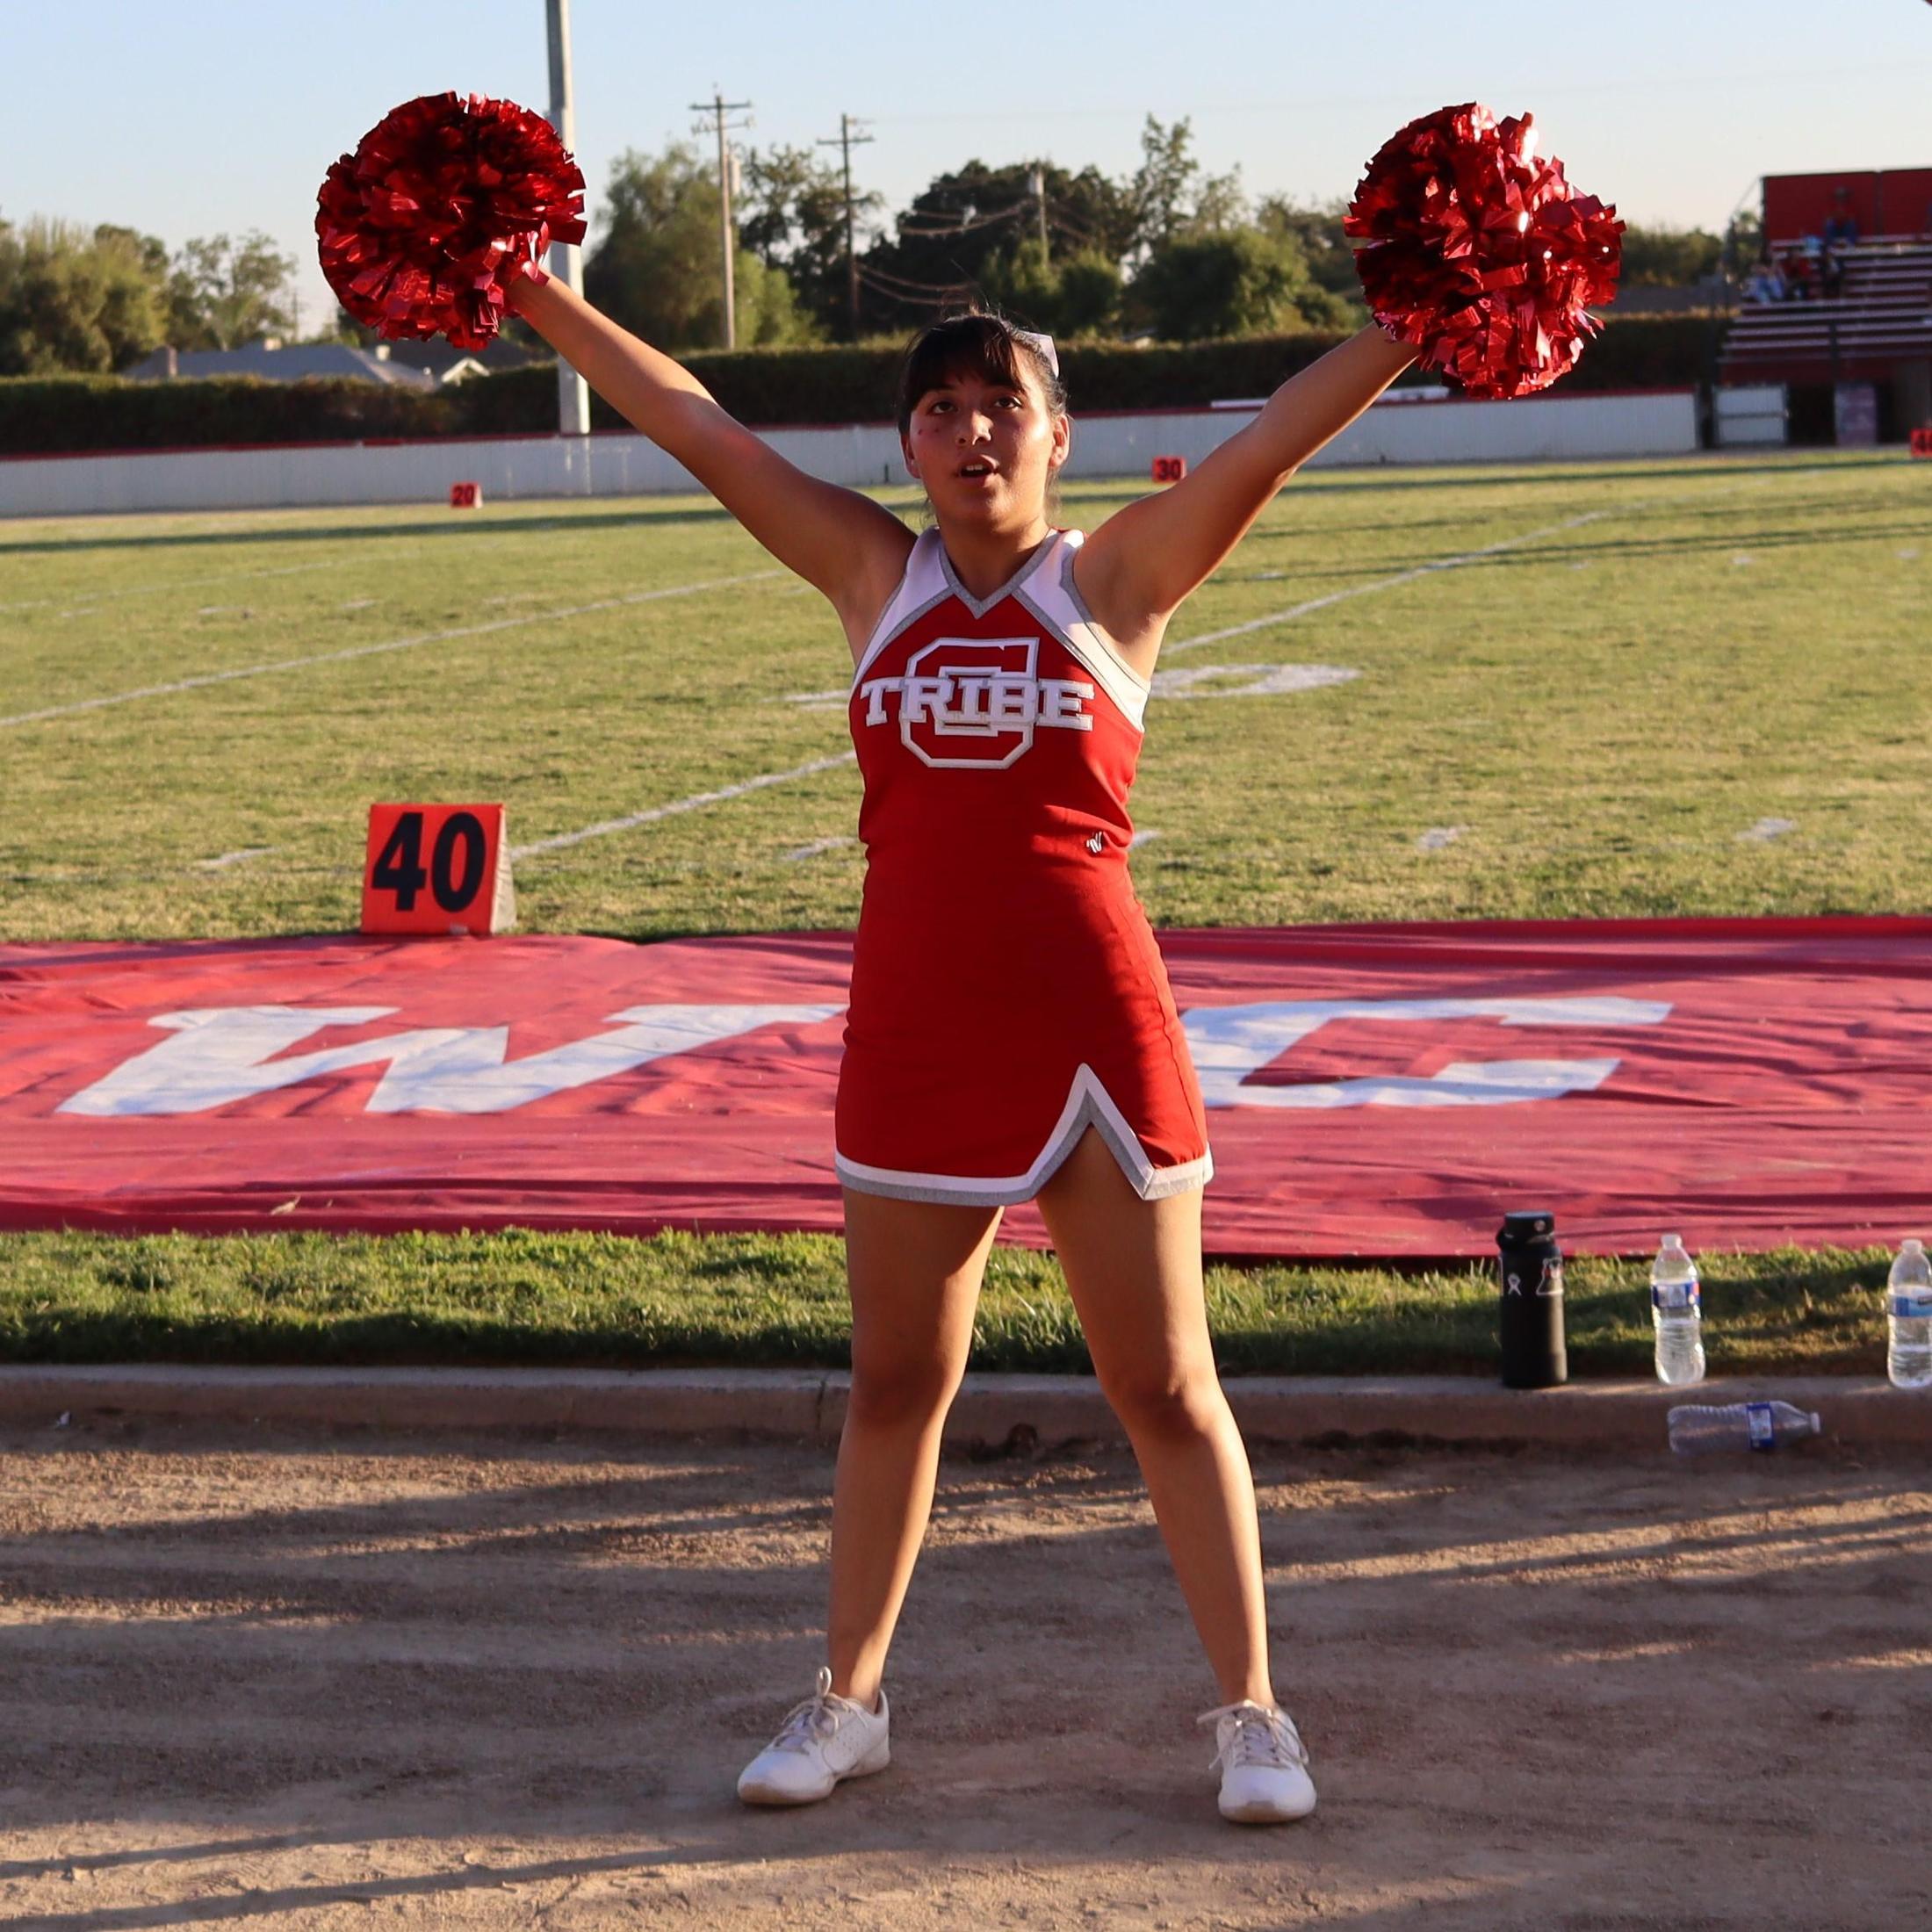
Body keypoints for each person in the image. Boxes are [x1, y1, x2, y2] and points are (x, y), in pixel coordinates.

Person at [503, 263, 1417, 1826]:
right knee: (894, 1385)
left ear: (1063, 436)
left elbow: (1268, 444)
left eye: (1004, 404)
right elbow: (694, 424)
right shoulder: (875, 579)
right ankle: (848, 1700)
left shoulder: (1116, 583)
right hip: (918, 1026)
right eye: (941, 407)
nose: (972, 428)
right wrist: (532, 294)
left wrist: (1414, 324)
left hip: (1093, 1029)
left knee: (1166, 1386)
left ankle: (1255, 1714)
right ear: (908, 445)